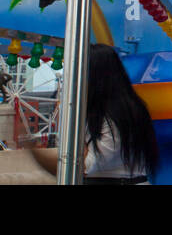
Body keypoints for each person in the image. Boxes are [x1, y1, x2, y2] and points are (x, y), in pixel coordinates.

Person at [33, 44, 158, 183]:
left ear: (94, 76)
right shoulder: (97, 112)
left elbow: (85, 164)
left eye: (79, 72)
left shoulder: (117, 116)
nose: (73, 79)